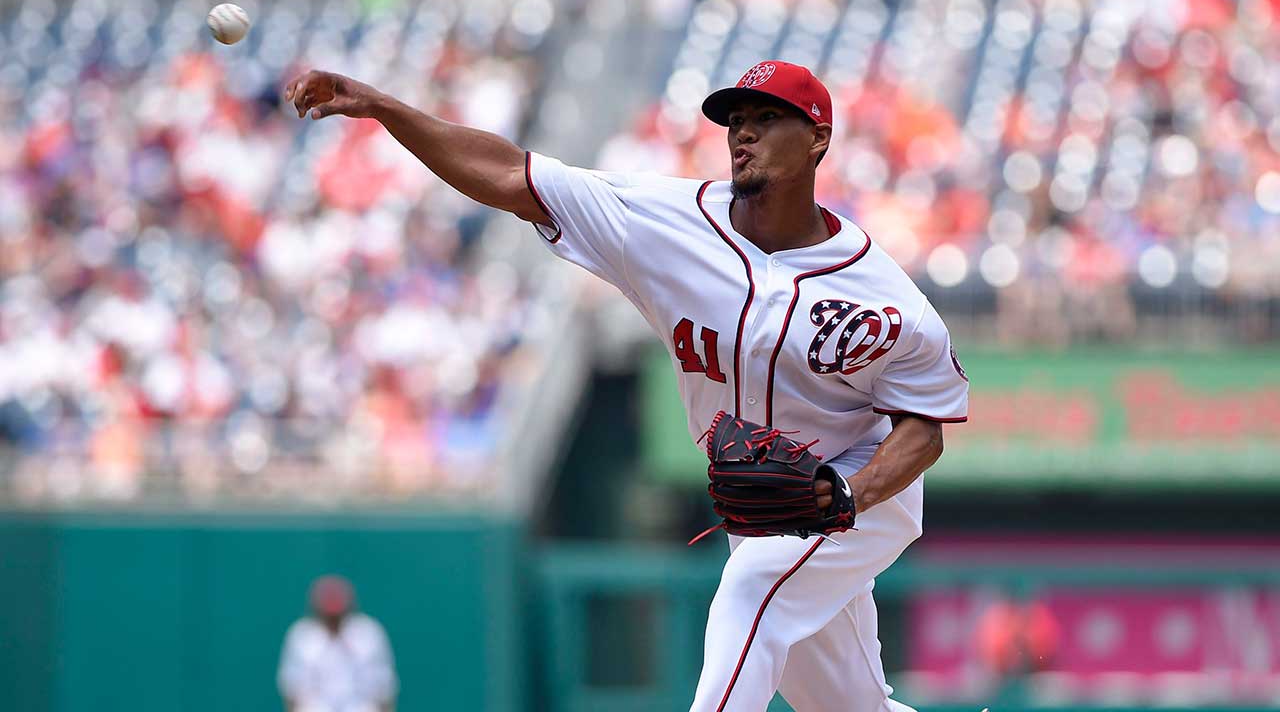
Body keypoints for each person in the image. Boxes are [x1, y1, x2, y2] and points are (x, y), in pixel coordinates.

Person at [285, 58, 968, 712]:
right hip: (764, 498)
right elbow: (510, 174)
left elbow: (924, 426)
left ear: (818, 138)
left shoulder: (884, 296)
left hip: (859, 485)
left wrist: (850, 493)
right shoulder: (663, 221)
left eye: (767, 117)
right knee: (842, 703)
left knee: (753, 586)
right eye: (735, 121)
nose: (744, 133)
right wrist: (382, 107)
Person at [278, 575, 398, 712]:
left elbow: (384, 688)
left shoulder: (368, 633)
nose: (333, 619)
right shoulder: (302, 635)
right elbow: (292, 689)